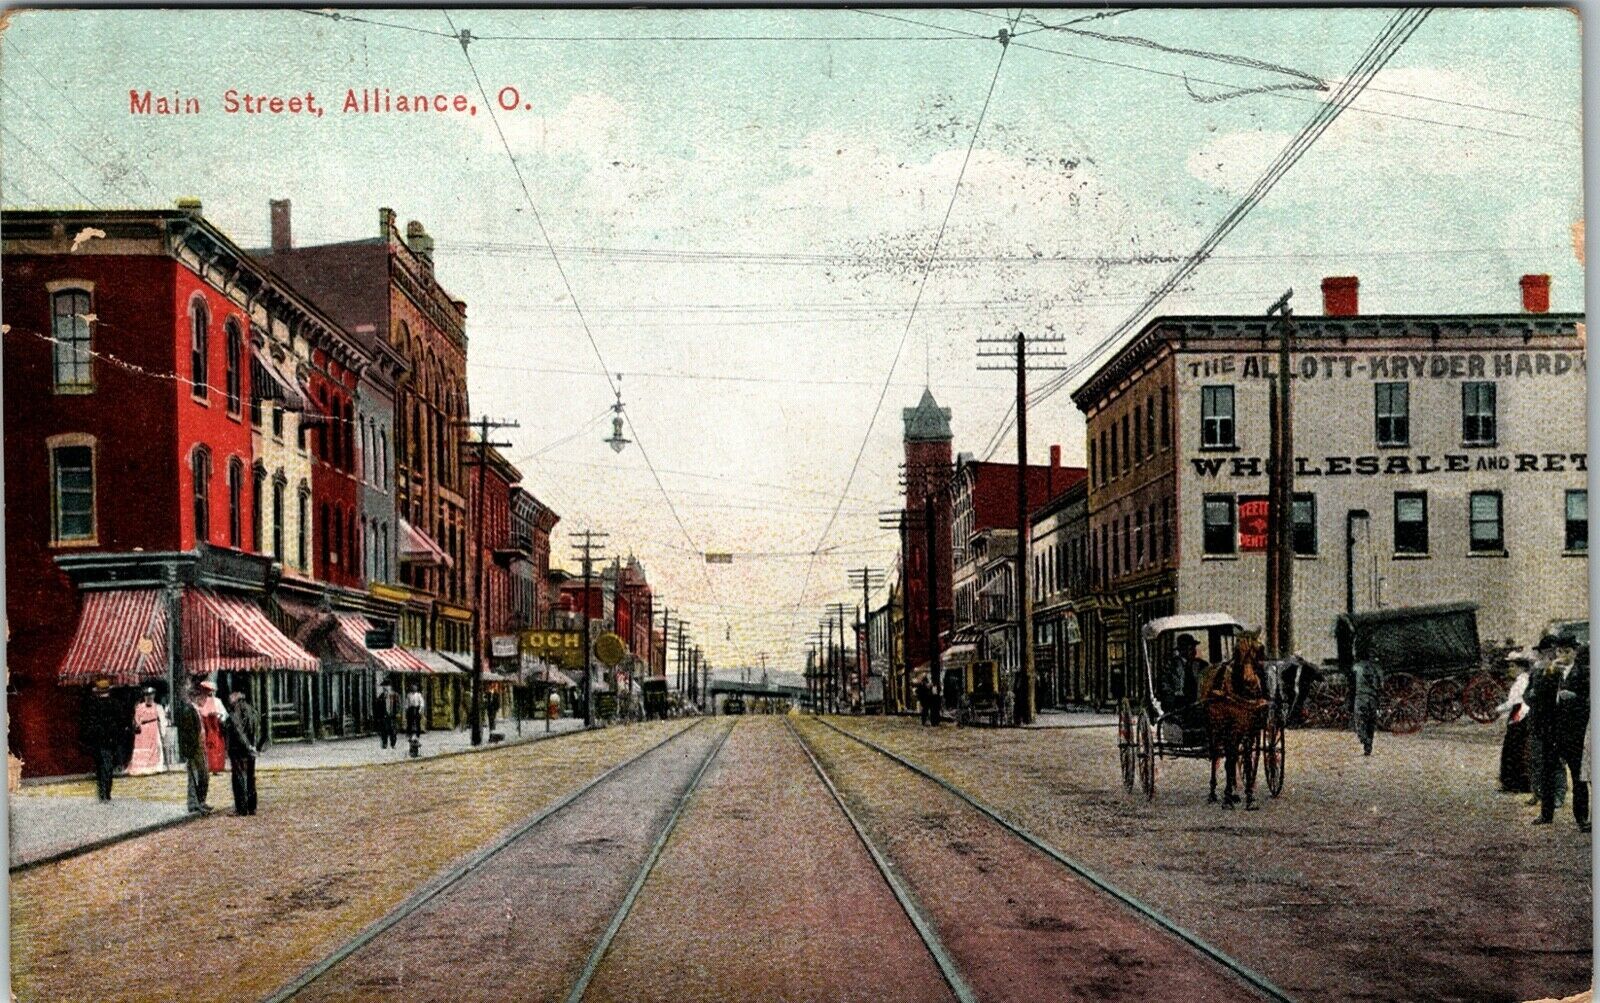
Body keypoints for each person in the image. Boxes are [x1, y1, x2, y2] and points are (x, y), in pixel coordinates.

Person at [1538, 644, 1590, 830]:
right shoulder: (1553, 672)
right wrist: (1549, 671)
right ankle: (1546, 814)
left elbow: (1588, 700)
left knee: (1578, 776)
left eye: (1567, 651)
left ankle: (1582, 818)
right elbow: (1541, 696)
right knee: (1548, 773)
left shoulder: (1583, 672)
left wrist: (1574, 697)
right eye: (1560, 651)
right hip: (1554, 732)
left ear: (1574, 653)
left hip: (1574, 733)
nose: (1563, 655)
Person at [1527, 634, 1569, 813]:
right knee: (1537, 759)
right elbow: (1527, 694)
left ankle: (1559, 795)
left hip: (1555, 721)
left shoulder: (1561, 670)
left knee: (1556, 761)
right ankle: (1539, 793)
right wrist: (1531, 697)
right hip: (1537, 720)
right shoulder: (1537, 670)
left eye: (1553, 651)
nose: (1550, 654)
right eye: (1546, 651)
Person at [80, 677, 129, 801]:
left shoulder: (93, 705)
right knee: (108, 765)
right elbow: (122, 721)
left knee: (100, 765)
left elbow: (88, 723)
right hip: (112, 738)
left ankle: (102, 791)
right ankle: (106, 792)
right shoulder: (115, 704)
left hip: (98, 739)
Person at [1495, 650, 1534, 793]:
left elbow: (1518, 702)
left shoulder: (1522, 682)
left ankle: (1516, 783)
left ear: (1521, 667)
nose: (1510, 670)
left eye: (1512, 666)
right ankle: (1514, 783)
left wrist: (1502, 710)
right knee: (1515, 750)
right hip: (1518, 714)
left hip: (1520, 715)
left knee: (1515, 750)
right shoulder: (1520, 681)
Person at [174, 682, 213, 814]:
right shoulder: (189, 710)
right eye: (203, 697)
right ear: (196, 697)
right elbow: (187, 734)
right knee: (195, 776)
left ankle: (201, 801)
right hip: (194, 749)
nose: (205, 700)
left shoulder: (196, 711)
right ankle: (194, 803)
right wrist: (189, 751)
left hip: (199, 747)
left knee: (203, 775)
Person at [224, 690, 262, 816]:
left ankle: (241, 808)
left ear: (237, 696)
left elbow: (238, 731)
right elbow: (258, 729)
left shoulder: (235, 711)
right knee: (250, 777)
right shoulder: (252, 710)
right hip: (251, 749)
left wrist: (248, 746)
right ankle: (252, 806)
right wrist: (255, 746)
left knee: (239, 777)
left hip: (239, 749)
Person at [128, 687, 169, 776]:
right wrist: (137, 725)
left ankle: (153, 767)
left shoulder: (157, 707)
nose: (149, 698)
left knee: (154, 748)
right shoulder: (139, 707)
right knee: (142, 748)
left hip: (153, 729)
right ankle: (141, 768)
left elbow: (162, 720)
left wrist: (163, 731)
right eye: (147, 695)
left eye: (151, 695)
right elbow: (136, 718)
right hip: (142, 731)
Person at [1349, 658, 1382, 756]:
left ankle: (1365, 740)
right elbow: (1379, 687)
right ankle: (1368, 746)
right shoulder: (1375, 669)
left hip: (1360, 698)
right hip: (1372, 698)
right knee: (1370, 724)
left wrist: (1350, 703)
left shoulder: (1356, 668)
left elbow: (1351, 687)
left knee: (1359, 722)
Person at [195, 680, 228, 774]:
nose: (208, 693)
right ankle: (206, 767)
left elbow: (223, 714)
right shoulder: (199, 701)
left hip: (214, 728)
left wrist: (219, 717)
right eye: (205, 690)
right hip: (203, 727)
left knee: (216, 747)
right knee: (204, 747)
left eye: (209, 691)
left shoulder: (217, 701)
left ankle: (216, 768)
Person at [374, 683, 400, 750]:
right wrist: (379, 716)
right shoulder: (382, 696)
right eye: (383, 687)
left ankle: (393, 744)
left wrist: (396, 713)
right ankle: (384, 744)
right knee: (384, 731)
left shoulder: (395, 695)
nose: (385, 688)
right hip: (384, 716)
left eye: (386, 687)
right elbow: (378, 707)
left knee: (393, 731)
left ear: (390, 687)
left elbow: (398, 705)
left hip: (392, 716)